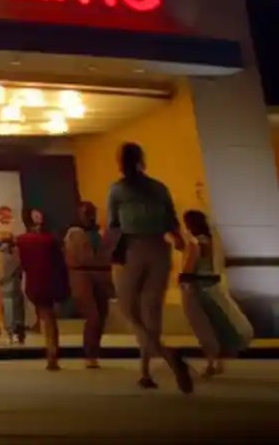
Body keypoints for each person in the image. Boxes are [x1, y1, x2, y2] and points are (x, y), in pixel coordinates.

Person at [108, 142, 193, 394]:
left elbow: (113, 225)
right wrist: (177, 239)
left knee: (127, 307)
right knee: (151, 310)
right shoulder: (158, 188)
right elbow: (171, 219)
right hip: (159, 247)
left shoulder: (118, 190)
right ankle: (148, 369)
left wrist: (107, 254)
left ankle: (163, 358)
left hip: (133, 248)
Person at [179, 210, 253, 378]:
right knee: (217, 324)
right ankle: (218, 362)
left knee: (202, 327)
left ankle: (212, 362)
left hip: (196, 290)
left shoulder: (195, 244)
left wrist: (183, 284)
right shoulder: (211, 242)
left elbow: (188, 270)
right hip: (212, 288)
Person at [15, 208, 69, 371]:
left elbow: (22, 263)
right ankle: (52, 354)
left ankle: (51, 353)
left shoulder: (22, 241)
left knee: (45, 316)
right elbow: (60, 263)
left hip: (34, 282)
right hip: (48, 281)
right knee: (49, 318)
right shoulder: (50, 240)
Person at [64, 201, 113, 368]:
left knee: (102, 315)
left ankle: (94, 351)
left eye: (92, 212)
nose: (90, 216)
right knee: (94, 316)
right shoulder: (74, 233)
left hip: (101, 274)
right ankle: (90, 354)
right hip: (82, 275)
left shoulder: (99, 233)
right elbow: (76, 257)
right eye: (86, 213)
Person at [0, 238, 25, 345]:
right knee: (18, 311)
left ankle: (11, 334)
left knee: (9, 311)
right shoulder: (16, 256)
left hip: (4, 287)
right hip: (16, 286)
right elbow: (20, 270)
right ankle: (17, 335)